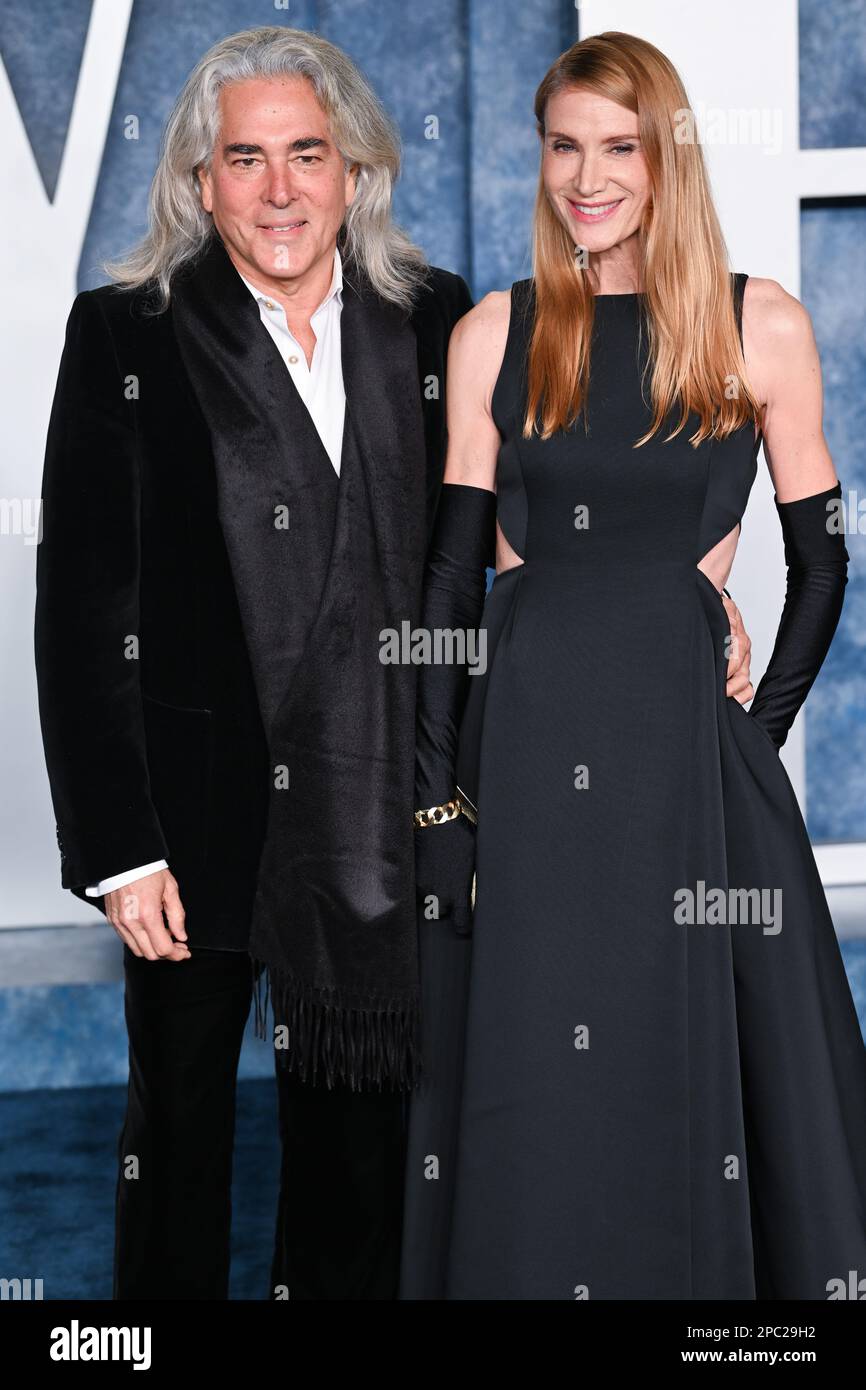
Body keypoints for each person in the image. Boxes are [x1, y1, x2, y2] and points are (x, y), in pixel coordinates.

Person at [402, 31, 866, 1300]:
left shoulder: (755, 320)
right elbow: (450, 581)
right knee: (534, 1076)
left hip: (688, 760)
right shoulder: (499, 330)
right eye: (563, 146)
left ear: (666, 157)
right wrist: (440, 792)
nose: (588, 175)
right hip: (528, 743)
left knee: (688, 1063)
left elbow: (821, 567)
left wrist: (741, 741)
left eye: (619, 147)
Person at [34, 25, 473, 1301]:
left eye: (305, 155)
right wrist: (118, 844)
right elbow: (82, 604)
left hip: (379, 807)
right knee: (174, 1144)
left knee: (361, 1152)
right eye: (244, 160)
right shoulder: (125, 335)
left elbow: (506, 530)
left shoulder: (432, 318)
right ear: (197, 181)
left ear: (355, 172)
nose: (278, 190)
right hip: (191, 813)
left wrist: (697, 578)